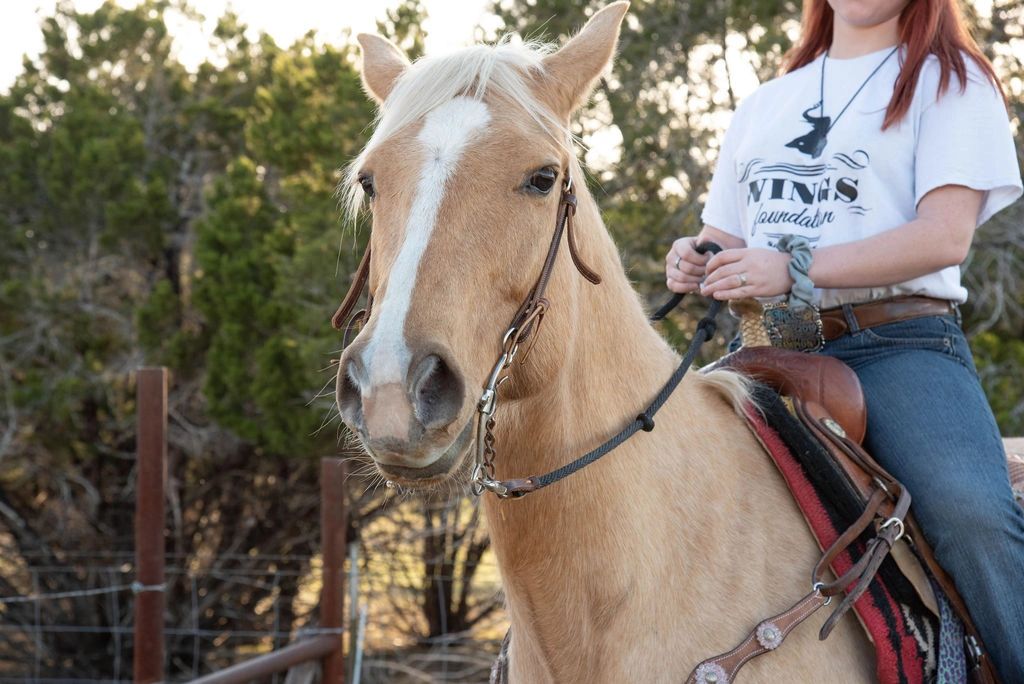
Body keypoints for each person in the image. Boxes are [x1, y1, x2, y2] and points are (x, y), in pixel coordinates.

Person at [664, 0, 1024, 678]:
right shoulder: (768, 102)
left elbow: (943, 236)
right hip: (765, 353)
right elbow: (727, 235)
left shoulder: (951, 81)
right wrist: (696, 255)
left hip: (896, 344)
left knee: (970, 513)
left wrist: (794, 268)